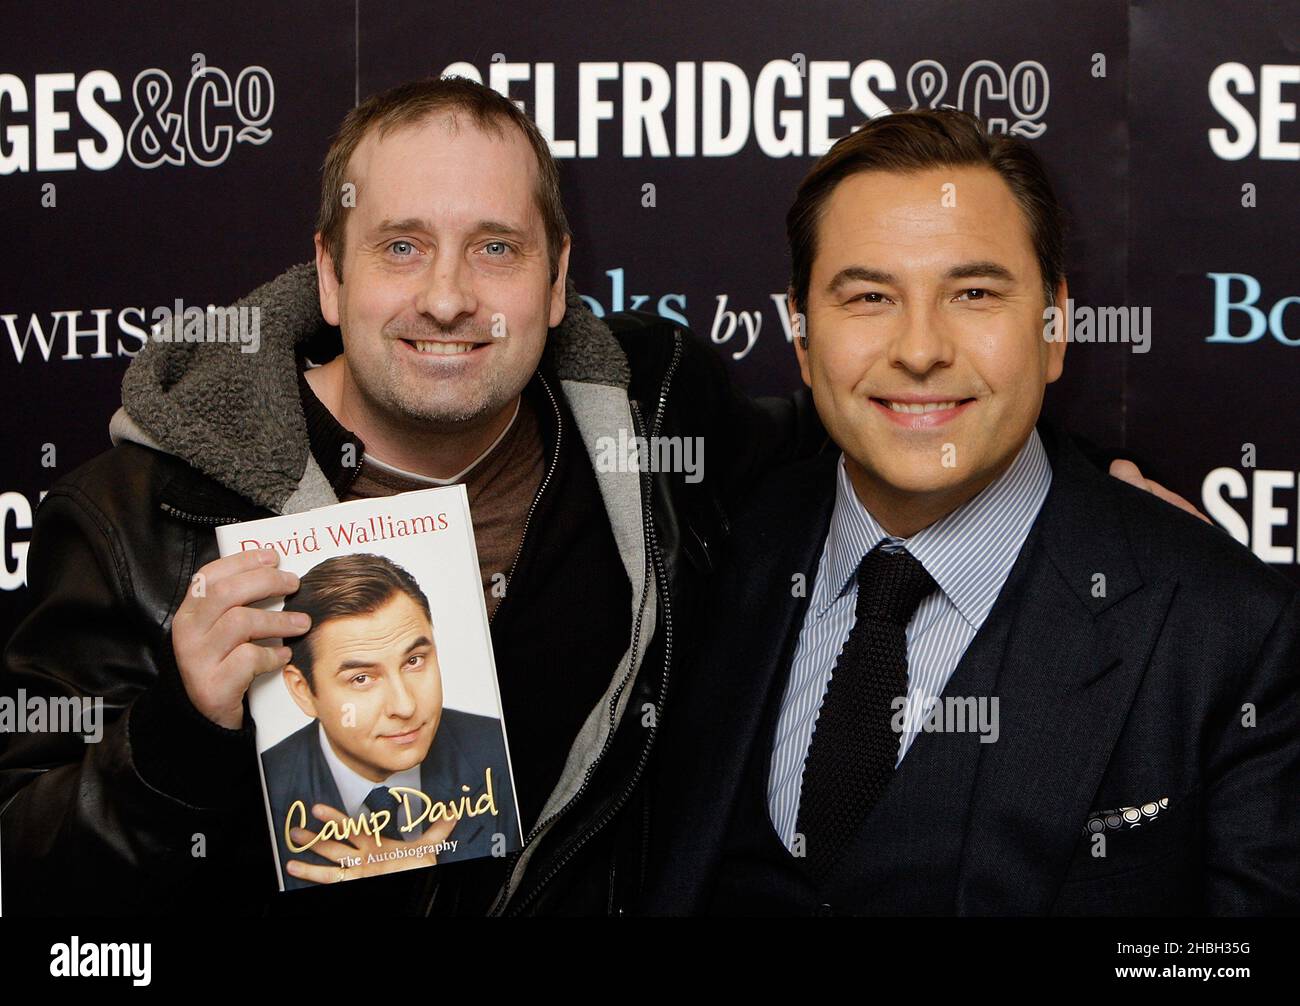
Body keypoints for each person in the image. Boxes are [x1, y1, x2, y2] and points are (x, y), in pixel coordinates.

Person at [0, 77, 1190, 917]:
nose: (450, 297)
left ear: (561, 278)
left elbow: (885, 413)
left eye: (498, 249)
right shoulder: (141, 515)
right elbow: (29, 875)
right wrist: (175, 740)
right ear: (328, 268)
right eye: (402, 246)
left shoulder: (656, 429)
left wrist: (1088, 501)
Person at [642, 108, 1300, 916]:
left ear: (1055, 328)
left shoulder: (1230, 630)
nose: (921, 350)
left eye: (975, 292)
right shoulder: (709, 556)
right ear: (803, 338)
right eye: (870, 297)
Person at [263, 553, 517, 891]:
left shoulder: (501, 750)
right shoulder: (261, 790)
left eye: (414, 660)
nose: (405, 705)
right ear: (303, 690)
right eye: (362, 679)